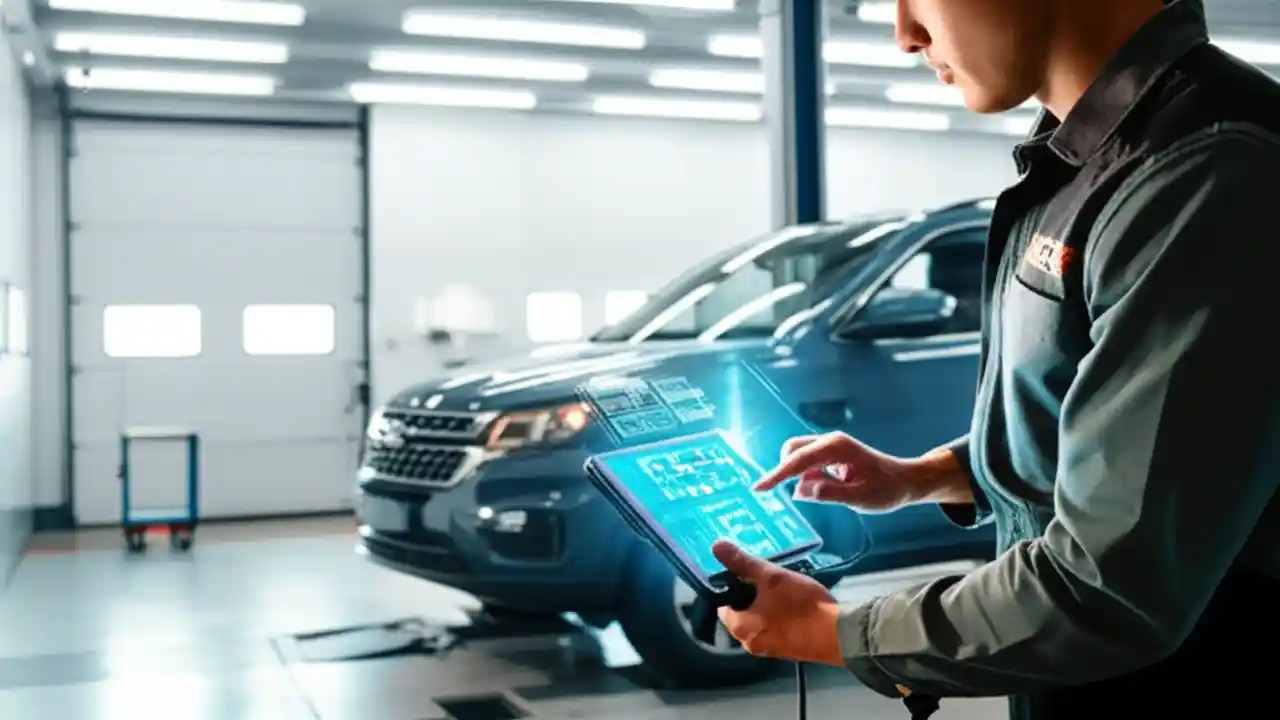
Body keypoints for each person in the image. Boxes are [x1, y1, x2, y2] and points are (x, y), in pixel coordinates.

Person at [709, 0, 1280, 716]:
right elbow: (1119, 434)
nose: (905, 34)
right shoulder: (1089, 157)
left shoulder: (1208, 173)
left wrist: (831, 631)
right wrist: (928, 476)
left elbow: (1107, 585)